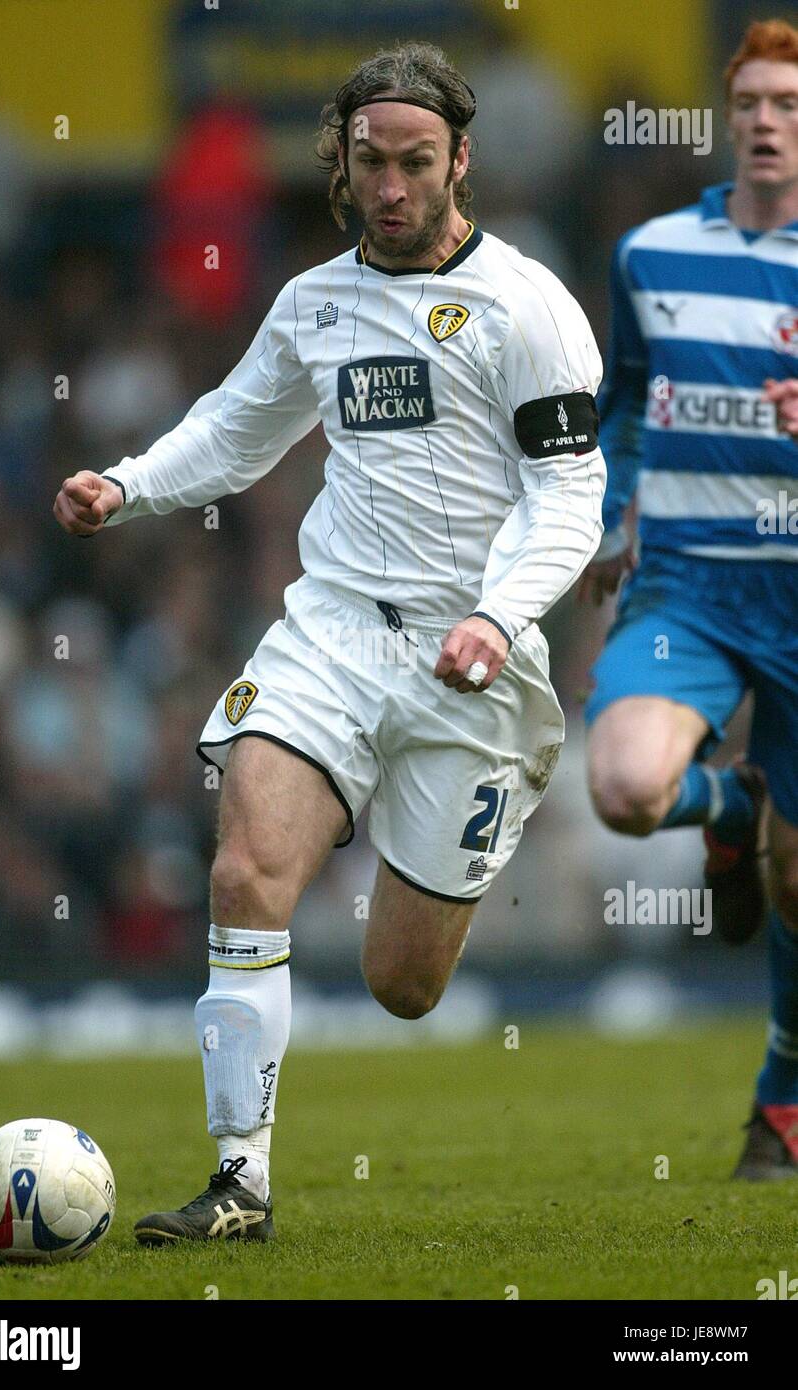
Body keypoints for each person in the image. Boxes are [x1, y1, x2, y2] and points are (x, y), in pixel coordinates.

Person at [54, 42, 605, 1243]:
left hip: (475, 666)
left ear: (461, 159)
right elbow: (237, 429)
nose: (392, 188)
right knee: (246, 867)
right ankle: (239, 1181)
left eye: (416, 164)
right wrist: (128, 483)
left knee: (403, 984)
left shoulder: (526, 307)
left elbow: (569, 497)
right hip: (335, 632)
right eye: (371, 164)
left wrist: (495, 616)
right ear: (340, 164)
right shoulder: (314, 302)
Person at [579, 19, 798, 1180]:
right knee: (620, 787)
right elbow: (619, 404)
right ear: (727, 117)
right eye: (751, 101)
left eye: (788, 102)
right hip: (689, 586)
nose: (767, 120)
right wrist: (607, 511)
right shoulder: (650, 253)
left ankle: (778, 1099)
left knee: (797, 883)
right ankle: (728, 800)